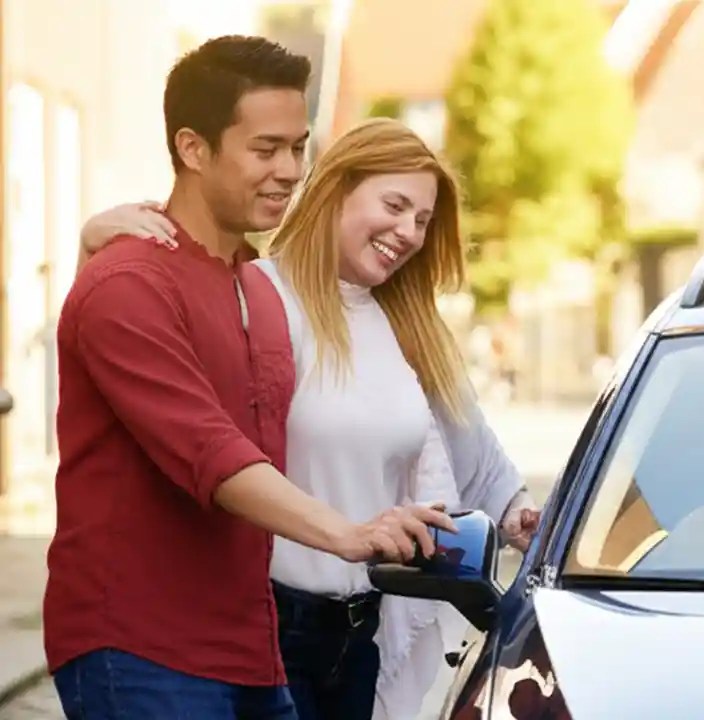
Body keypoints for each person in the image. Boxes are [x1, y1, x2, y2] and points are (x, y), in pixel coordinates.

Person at [48, 36, 456, 720]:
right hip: (140, 647)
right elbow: (210, 450)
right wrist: (346, 532)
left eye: (298, 148)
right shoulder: (127, 284)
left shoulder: (258, 293)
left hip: (250, 649)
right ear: (194, 148)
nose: (290, 170)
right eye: (265, 149)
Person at [80, 119, 541, 719]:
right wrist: (93, 249)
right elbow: (143, 387)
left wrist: (518, 514)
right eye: (394, 205)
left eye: (422, 221)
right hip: (267, 631)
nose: (406, 232)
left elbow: (475, 452)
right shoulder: (247, 296)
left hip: (357, 638)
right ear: (336, 189)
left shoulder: (407, 328)